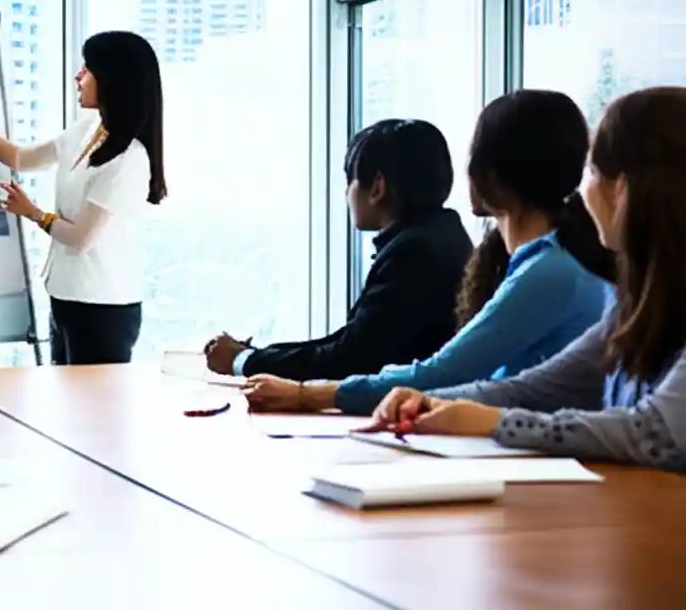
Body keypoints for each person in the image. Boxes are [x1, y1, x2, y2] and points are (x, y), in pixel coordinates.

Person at [365, 87, 686, 470]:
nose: (582, 190)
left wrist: (494, 422)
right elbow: (538, 388)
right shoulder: (631, 303)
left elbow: (656, 433)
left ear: (622, 189)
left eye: (592, 171)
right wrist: (436, 404)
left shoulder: (553, 270)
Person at [245, 90, 615, 415]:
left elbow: (443, 373)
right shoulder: (540, 261)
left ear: (489, 173)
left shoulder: (549, 271)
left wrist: (307, 394)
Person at [0, 31, 166, 365]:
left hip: (103, 305)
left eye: (87, 69)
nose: (78, 76)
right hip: (65, 294)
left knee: (90, 397)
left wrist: (33, 213)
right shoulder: (87, 130)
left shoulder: (129, 158)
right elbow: (21, 158)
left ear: (112, 79)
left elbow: (82, 238)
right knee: (65, 392)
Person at [204, 119, 473, 380]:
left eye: (350, 181)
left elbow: (348, 360)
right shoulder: (443, 235)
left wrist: (243, 361)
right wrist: (254, 355)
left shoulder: (412, 254)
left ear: (377, 187)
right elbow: (352, 341)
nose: (347, 193)